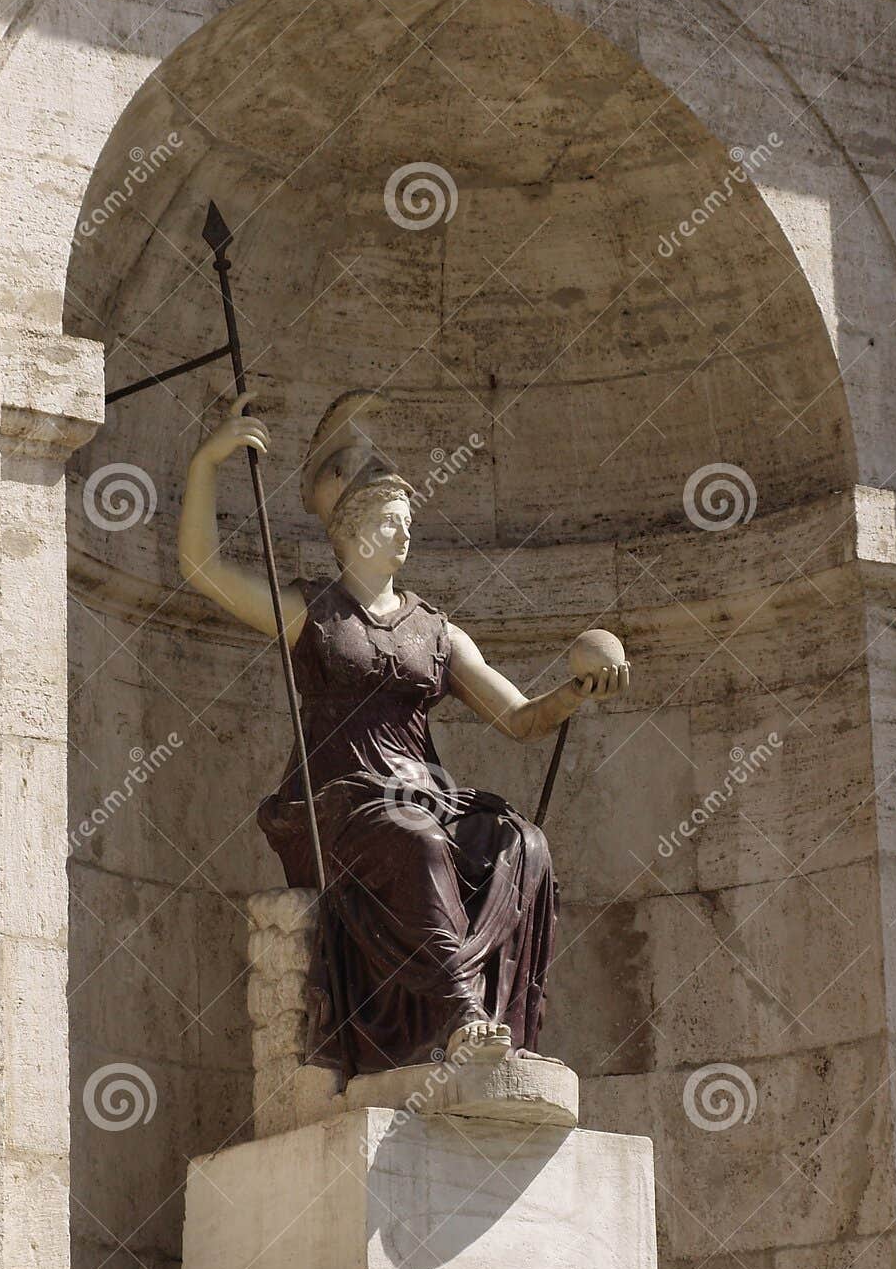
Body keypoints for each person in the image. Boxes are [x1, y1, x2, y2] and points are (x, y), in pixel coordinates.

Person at [177, 389, 628, 1073]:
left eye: (407, 521)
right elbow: (204, 570)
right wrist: (209, 463)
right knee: (413, 838)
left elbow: (518, 718)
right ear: (355, 532)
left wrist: (575, 691)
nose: (406, 535)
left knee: (522, 843)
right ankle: (460, 1014)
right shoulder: (312, 615)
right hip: (333, 806)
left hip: (421, 796)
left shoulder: (438, 632)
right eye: (393, 521)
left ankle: (503, 1028)